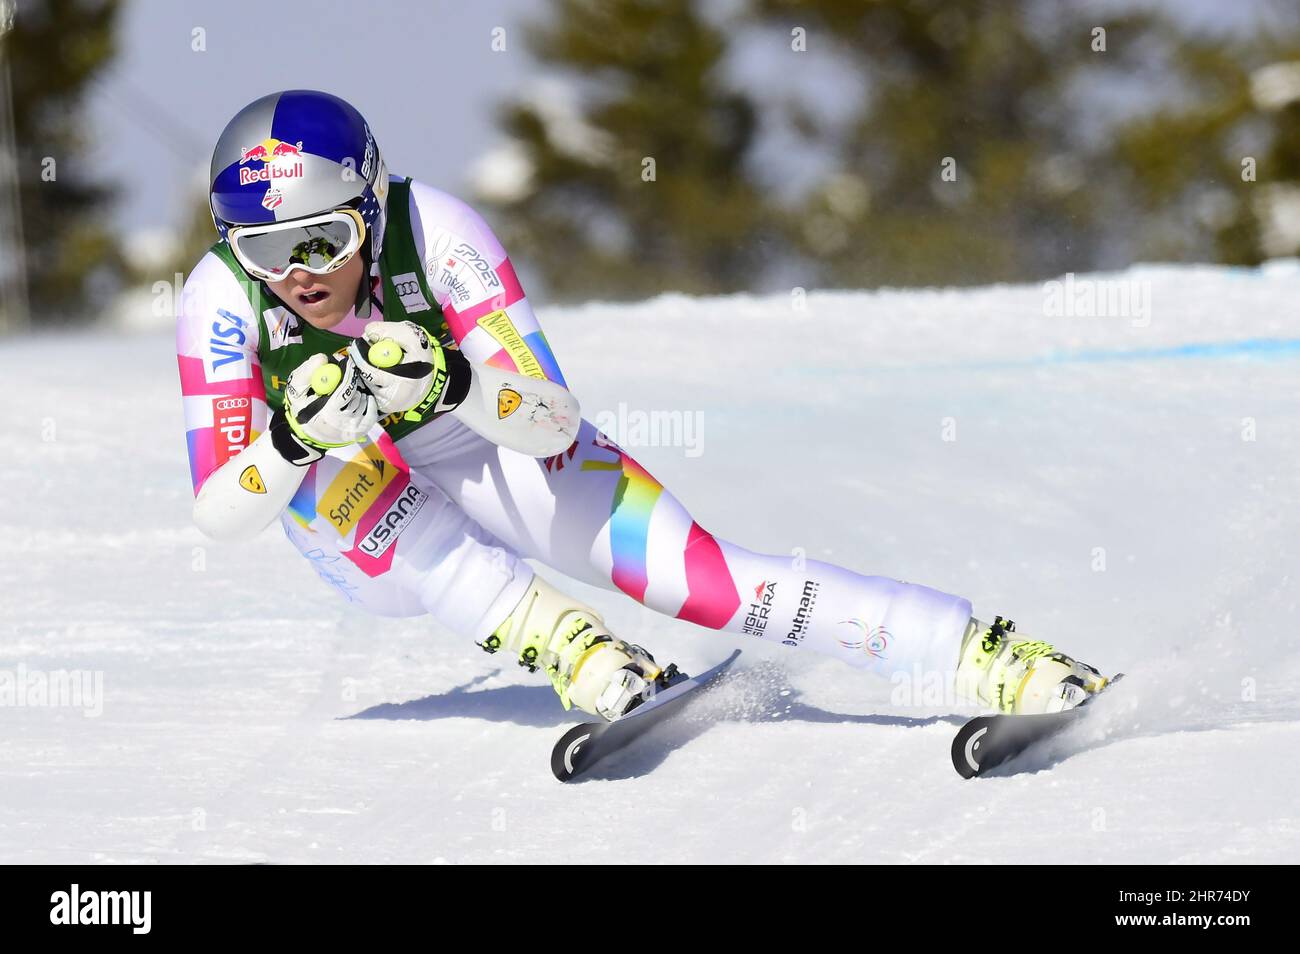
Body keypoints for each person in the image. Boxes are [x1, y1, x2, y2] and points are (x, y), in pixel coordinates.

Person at [177, 89, 1111, 722]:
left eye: (322, 240)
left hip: (484, 435)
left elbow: (549, 417)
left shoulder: (440, 233)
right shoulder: (220, 299)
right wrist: (294, 439)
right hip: (363, 529)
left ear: (372, 209)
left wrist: (454, 381)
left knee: (704, 582)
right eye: (264, 252)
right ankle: (579, 654)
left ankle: (991, 658)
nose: (298, 277)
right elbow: (222, 512)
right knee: (349, 489)